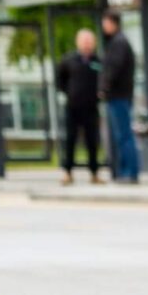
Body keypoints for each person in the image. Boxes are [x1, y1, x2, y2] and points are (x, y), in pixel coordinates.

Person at [55, 29, 103, 185]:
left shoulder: (98, 61)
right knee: (70, 140)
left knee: (92, 141)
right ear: (78, 42)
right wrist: (68, 93)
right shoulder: (68, 60)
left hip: (91, 107)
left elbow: (103, 80)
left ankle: (94, 173)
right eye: (84, 41)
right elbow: (59, 80)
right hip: (73, 107)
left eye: (90, 41)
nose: (87, 44)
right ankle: (68, 172)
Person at [100, 10, 140, 183]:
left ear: (111, 23)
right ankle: (125, 171)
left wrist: (104, 87)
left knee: (123, 136)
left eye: (105, 23)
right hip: (121, 95)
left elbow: (113, 69)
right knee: (122, 135)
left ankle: (128, 172)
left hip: (118, 96)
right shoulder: (119, 41)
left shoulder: (118, 43)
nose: (104, 27)